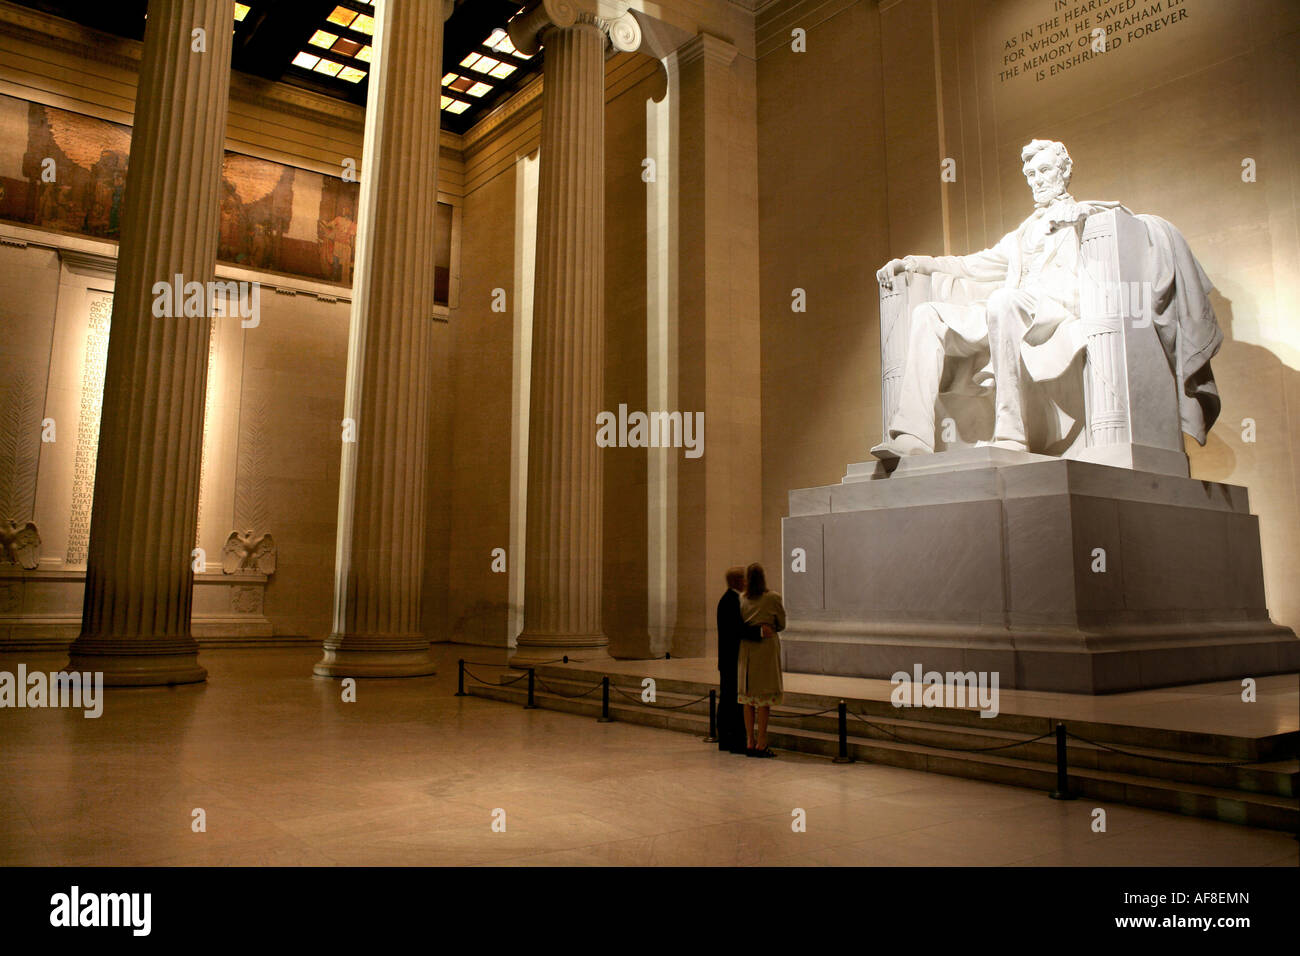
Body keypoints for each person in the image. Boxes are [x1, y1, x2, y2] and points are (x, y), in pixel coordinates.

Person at [872, 139, 1128, 459]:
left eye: (1044, 170)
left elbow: (1120, 224)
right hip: (1009, 308)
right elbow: (970, 264)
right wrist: (914, 263)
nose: (1036, 179)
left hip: (1053, 311)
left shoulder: (1083, 214)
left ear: (1063, 172)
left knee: (1003, 301)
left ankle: (1012, 434)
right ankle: (913, 435)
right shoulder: (1022, 233)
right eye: (1031, 173)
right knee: (928, 314)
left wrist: (1086, 213)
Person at [738, 563, 785, 758]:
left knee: (748, 700)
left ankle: (749, 740)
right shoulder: (773, 598)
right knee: (764, 700)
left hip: (747, 651)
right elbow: (781, 624)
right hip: (766, 650)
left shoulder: (741, 599)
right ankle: (761, 742)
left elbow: (738, 625)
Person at [714, 566, 750, 755]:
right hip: (732, 660)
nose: (746, 583)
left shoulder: (730, 599)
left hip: (729, 660)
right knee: (732, 701)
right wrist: (760, 632)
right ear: (738, 581)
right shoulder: (731, 601)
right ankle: (733, 739)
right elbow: (738, 631)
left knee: (728, 699)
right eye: (744, 579)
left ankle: (727, 739)